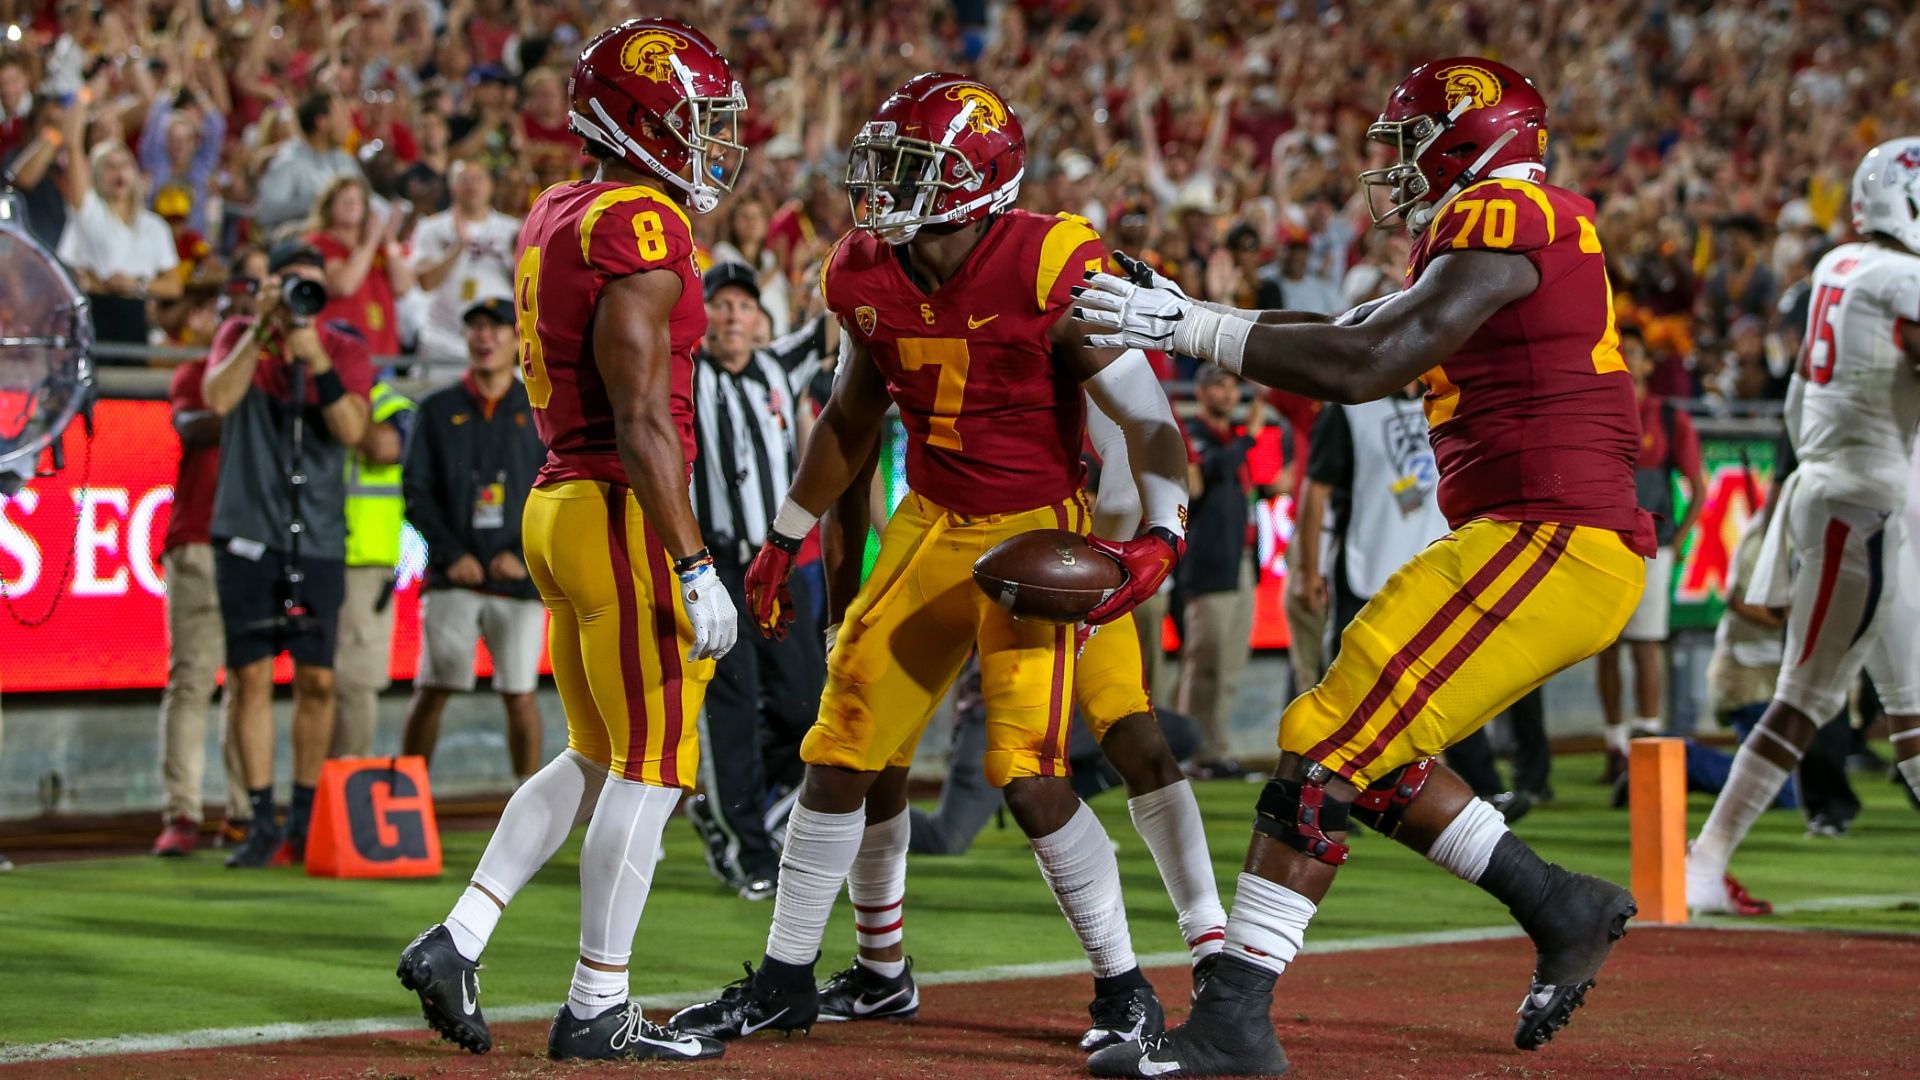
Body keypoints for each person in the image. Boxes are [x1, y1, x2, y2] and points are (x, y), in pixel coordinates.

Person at [1077, 58, 1651, 1073]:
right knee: (1373, 748)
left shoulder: (1503, 221)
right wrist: (1195, 315)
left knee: (1325, 739)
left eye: (1409, 140)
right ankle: (1561, 904)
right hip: (1527, 534)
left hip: (1550, 534)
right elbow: (1349, 334)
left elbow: (1367, 364)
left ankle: (1236, 1022)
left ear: (1467, 140)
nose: (1393, 164)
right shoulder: (1503, 232)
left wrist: (1190, 329)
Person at [670, 72, 1194, 1057]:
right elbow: (851, 415)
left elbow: (1150, 417)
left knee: (1026, 773)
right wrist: (789, 534)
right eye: (886, 163)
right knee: (841, 744)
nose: (884, 187)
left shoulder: (1051, 264)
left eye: (913, 168)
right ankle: (789, 977)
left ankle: (1125, 986)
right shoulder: (863, 269)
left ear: (978, 181)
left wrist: (1158, 532)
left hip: (1034, 528)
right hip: (930, 519)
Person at [396, 19, 744, 1065]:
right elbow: (644, 416)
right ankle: (599, 1004)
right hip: (617, 505)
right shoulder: (642, 222)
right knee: (651, 766)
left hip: (565, 500)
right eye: (691, 122)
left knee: (596, 756)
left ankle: (459, 937)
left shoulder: (560, 204)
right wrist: (692, 560)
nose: (708, 142)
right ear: (638, 124)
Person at [1686, 139, 1920, 917]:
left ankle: (1705, 863)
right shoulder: (1899, 279)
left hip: (1841, 492)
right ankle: (1703, 861)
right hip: (1864, 503)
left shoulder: (1836, 266)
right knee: (1806, 697)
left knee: (1910, 699)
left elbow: (1801, 398)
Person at [202, 239, 374, 869]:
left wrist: (316, 358)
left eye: (312, 288)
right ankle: (259, 819)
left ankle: (302, 820)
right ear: (268, 286)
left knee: (318, 680)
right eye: (290, 286)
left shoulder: (345, 348)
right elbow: (216, 399)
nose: (302, 301)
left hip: (320, 537)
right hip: (248, 531)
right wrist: (262, 332)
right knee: (249, 677)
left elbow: (354, 431)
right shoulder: (240, 335)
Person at [681, 263, 823, 902]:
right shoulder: (684, 371)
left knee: (806, 709)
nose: (733, 316)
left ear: (759, 320)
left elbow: (835, 323)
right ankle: (746, 846)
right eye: (722, 305)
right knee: (730, 711)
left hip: (778, 566)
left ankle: (734, 812)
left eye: (743, 305)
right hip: (717, 567)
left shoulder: (778, 366)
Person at [400, 296, 548, 781]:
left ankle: (525, 809)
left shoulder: (542, 410)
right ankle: (406, 799)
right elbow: (416, 491)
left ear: (516, 338)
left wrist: (526, 559)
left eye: (496, 328)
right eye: (476, 328)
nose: (484, 337)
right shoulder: (437, 409)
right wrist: (452, 553)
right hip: (453, 576)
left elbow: (561, 490)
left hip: (520, 578)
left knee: (521, 692)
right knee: (434, 687)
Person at [1594, 326, 1704, 778]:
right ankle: (1614, 743)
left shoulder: (1668, 418)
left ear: (1645, 364)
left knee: (1646, 645)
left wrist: (1678, 543)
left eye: (1632, 353)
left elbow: (1698, 488)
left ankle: (1647, 738)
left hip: (1652, 546)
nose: (1626, 360)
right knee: (1606, 647)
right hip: (1603, 546)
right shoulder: (1598, 411)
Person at [151, 356, 248, 857]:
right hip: (202, 539)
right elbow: (194, 426)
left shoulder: (283, 368)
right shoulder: (196, 371)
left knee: (246, 684)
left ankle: (243, 813)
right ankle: (182, 811)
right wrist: (258, 408)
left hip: (256, 542)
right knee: (191, 680)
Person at [1177, 366, 1266, 778]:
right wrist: (1250, 434)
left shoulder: (1231, 437)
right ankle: (1192, 751)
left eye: (1233, 386)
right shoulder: (1195, 432)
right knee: (1204, 662)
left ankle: (1215, 750)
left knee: (1230, 663)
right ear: (1201, 390)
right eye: (1219, 385)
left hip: (1241, 560)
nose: (1228, 394)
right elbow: (1213, 469)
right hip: (1208, 562)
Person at [330, 376, 415, 758]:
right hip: (314, 555)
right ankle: (314, 799)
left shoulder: (391, 407)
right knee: (317, 683)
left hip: (366, 561)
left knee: (355, 683)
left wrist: (338, 397)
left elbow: (387, 447)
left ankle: (350, 790)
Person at [55, 119, 182, 345]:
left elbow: (174, 286)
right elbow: (74, 152)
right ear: (96, 174)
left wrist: (135, 284)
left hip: (139, 315)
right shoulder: (90, 212)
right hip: (97, 311)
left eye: (124, 165)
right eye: (110, 166)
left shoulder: (155, 226)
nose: (118, 173)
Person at [410, 160, 522, 373]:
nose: (472, 185)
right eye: (464, 180)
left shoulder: (512, 229)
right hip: (442, 342)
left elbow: (527, 287)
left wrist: (514, 256)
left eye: (479, 179)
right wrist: (458, 247)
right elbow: (425, 281)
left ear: (491, 185)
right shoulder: (431, 227)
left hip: (497, 344)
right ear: (452, 187)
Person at [306, 175, 414, 360]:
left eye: (357, 200)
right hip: (340, 353)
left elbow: (403, 286)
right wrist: (370, 241)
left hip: (383, 352)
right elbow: (343, 286)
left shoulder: (381, 247)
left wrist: (388, 238)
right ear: (329, 205)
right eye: (344, 200)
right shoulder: (318, 243)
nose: (351, 205)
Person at [254, 92, 364, 234]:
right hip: (298, 246)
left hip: (342, 244)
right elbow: (266, 212)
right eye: (342, 115)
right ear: (322, 122)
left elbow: (369, 201)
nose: (348, 124)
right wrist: (320, 202)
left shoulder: (344, 160)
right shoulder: (289, 160)